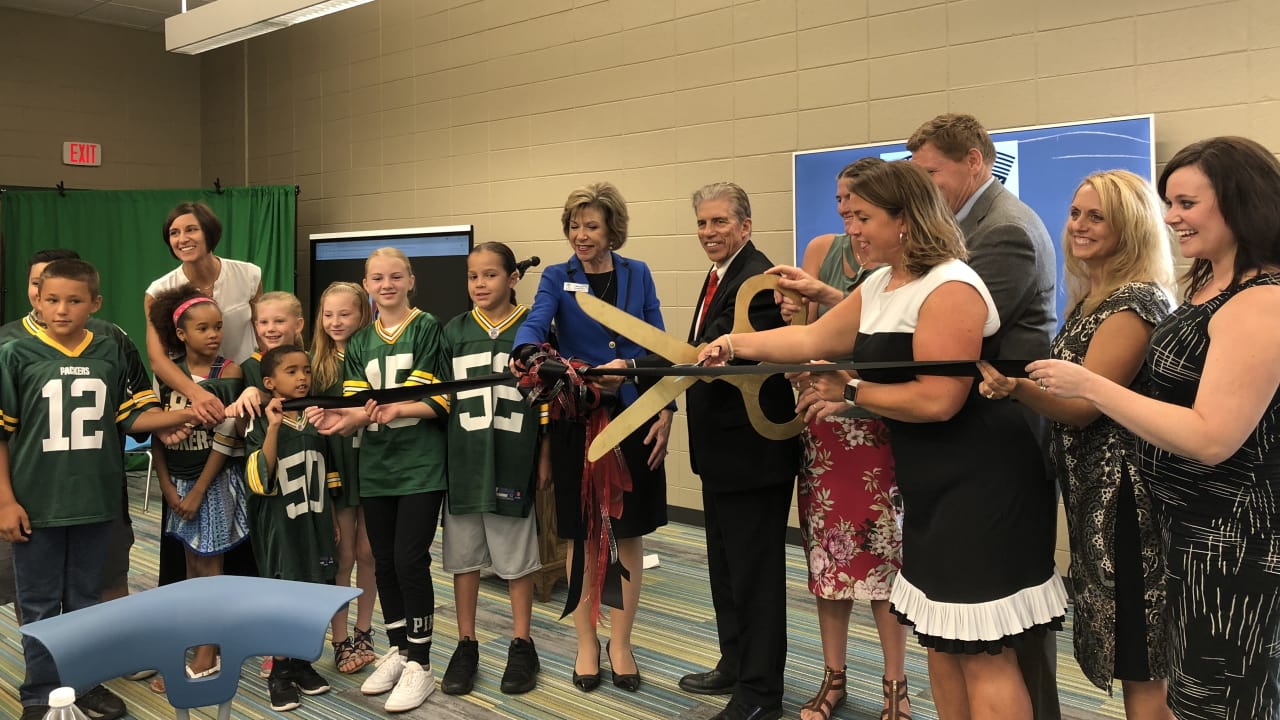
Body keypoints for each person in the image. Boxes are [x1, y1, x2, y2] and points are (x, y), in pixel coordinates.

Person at [699, 162, 1067, 720]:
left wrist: (851, 388)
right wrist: (734, 343)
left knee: (982, 653)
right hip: (929, 483)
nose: (853, 229)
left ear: (907, 220)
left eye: (865, 217)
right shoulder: (883, 282)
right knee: (941, 642)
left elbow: (940, 399)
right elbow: (811, 336)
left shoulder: (951, 285)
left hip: (980, 487)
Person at [1025, 136, 1280, 720]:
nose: (1171, 217)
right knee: (1186, 694)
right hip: (1182, 529)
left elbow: (1213, 437)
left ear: (1240, 202)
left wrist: (1092, 386)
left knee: (1224, 701)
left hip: (1233, 543)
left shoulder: (1261, 299)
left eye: (1187, 203)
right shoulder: (1212, 284)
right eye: (1169, 202)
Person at [977, 170, 1176, 719]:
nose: (1079, 226)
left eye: (1097, 216)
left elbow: (1089, 406)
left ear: (1129, 227)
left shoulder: (1132, 304)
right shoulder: (1094, 298)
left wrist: (1017, 388)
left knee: (1142, 663)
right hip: (1096, 504)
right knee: (1133, 655)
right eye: (1075, 213)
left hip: (1128, 508)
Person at [907, 112, 1061, 720]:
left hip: (995, 448)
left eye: (931, 174)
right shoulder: (968, 228)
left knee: (997, 637)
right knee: (957, 630)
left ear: (974, 161)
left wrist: (859, 377)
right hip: (961, 452)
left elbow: (943, 334)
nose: (921, 190)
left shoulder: (1005, 231)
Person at [0, 259, 197, 720]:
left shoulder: (109, 350)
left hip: (96, 500)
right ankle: (41, 693)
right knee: (39, 602)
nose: (62, 310)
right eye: (52, 299)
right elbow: (1, 435)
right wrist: (6, 501)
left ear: (96, 304)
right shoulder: (14, 353)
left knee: (88, 598)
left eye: (74, 300)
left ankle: (85, 683)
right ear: (36, 300)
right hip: (37, 503)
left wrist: (190, 412)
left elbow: (132, 419)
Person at [510, 182, 671, 694]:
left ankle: (621, 644)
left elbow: (661, 347)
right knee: (581, 534)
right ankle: (586, 641)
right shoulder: (557, 277)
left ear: (612, 230)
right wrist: (540, 358)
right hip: (576, 422)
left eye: (592, 226)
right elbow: (531, 332)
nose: (581, 235)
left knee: (628, 534)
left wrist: (660, 401)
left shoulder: (637, 273)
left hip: (633, 417)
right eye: (574, 226)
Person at [768, 159, 909, 720]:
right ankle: (833, 679)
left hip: (875, 424)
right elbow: (804, 335)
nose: (849, 221)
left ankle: (895, 687)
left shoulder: (899, 266)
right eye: (842, 207)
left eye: (858, 207)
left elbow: (884, 336)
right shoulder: (821, 247)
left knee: (880, 567)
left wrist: (825, 297)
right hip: (823, 426)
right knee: (828, 565)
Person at [673, 182, 800, 720]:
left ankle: (760, 693)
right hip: (722, 456)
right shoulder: (720, 275)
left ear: (746, 226)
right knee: (725, 569)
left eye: (720, 223)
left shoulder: (760, 282)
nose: (708, 233)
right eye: (702, 223)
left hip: (754, 457)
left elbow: (723, 359)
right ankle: (735, 664)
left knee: (755, 576)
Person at [306, 247, 451, 714]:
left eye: (394, 276)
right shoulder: (363, 340)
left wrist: (394, 409)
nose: (385, 284)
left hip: (420, 467)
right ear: (366, 285)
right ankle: (401, 648)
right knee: (383, 561)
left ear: (410, 279)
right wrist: (334, 419)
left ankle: (423, 663)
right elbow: (353, 409)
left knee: (410, 561)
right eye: (376, 278)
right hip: (377, 467)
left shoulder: (428, 328)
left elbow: (438, 402)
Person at [439, 242, 548, 697]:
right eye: (472, 276)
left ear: (513, 278)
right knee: (463, 559)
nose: (480, 285)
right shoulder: (454, 330)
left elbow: (547, 401)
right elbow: (442, 399)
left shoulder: (533, 327)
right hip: (463, 461)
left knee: (515, 561)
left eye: (490, 275)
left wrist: (543, 458)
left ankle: (522, 642)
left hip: (512, 457)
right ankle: (467, 643)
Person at [148, 285, 250, 681]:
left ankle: (209, 651)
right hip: (177, 482)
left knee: (211, 566)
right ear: (181, 334)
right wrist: (168, 487)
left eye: (219, 327)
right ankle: (199, 636)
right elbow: (159, 433)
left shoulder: (229, 372)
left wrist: (199, 490)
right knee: (191, 566)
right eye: (203, 328)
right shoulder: (168, 373)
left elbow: (228, 437)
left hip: (215, 482)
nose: (214, 334)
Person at [245, 345, 340, 712]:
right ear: (270, 382)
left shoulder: (315, 418)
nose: (302, 377)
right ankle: (279, 672)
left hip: (314, 521)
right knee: (282, 596)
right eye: (291, 371)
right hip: (279, 525)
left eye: (306, 370)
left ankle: (301, 663)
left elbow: (326, 471)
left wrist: (331, 518)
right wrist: (271, 427)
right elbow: (257, 478)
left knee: (312, 591)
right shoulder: (259, 421)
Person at [310, 282, 379, 675]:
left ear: (363, 315)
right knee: (344, 556)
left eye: (345, 314)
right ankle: (339, 639)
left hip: (372, 465)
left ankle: (364, 630)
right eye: (329, 314)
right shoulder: (316, 364)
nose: (336, 322)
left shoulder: (373, 356)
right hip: (336, 471)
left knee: (369, 554)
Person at [226, 291, 307, 420]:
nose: (270, 328)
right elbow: (244, 426)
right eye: (264, 322)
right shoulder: (249, 367)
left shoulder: (312, 362)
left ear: (298, 325)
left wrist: (262, 396)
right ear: (256, 327)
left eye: (279, 321)